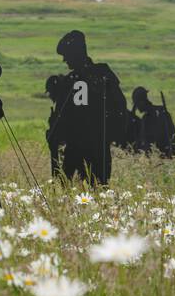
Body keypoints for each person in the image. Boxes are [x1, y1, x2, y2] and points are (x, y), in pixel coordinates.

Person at [50, 30, 126, 185]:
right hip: (96, 144)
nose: (65, 60)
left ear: (75, 53)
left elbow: (63, 116)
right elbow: (121, 105)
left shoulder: (75, 80)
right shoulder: (102, 72)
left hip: (81, 146)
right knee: (97, 189)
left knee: (71, 190)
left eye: (67, 55)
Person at [129, 86, 175, 158]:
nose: (137, 107)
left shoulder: (147, 118)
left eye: (137, 104)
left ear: (142, 102)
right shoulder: (162, 111)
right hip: (167, 155)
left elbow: (146, 141)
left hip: (158, 156)